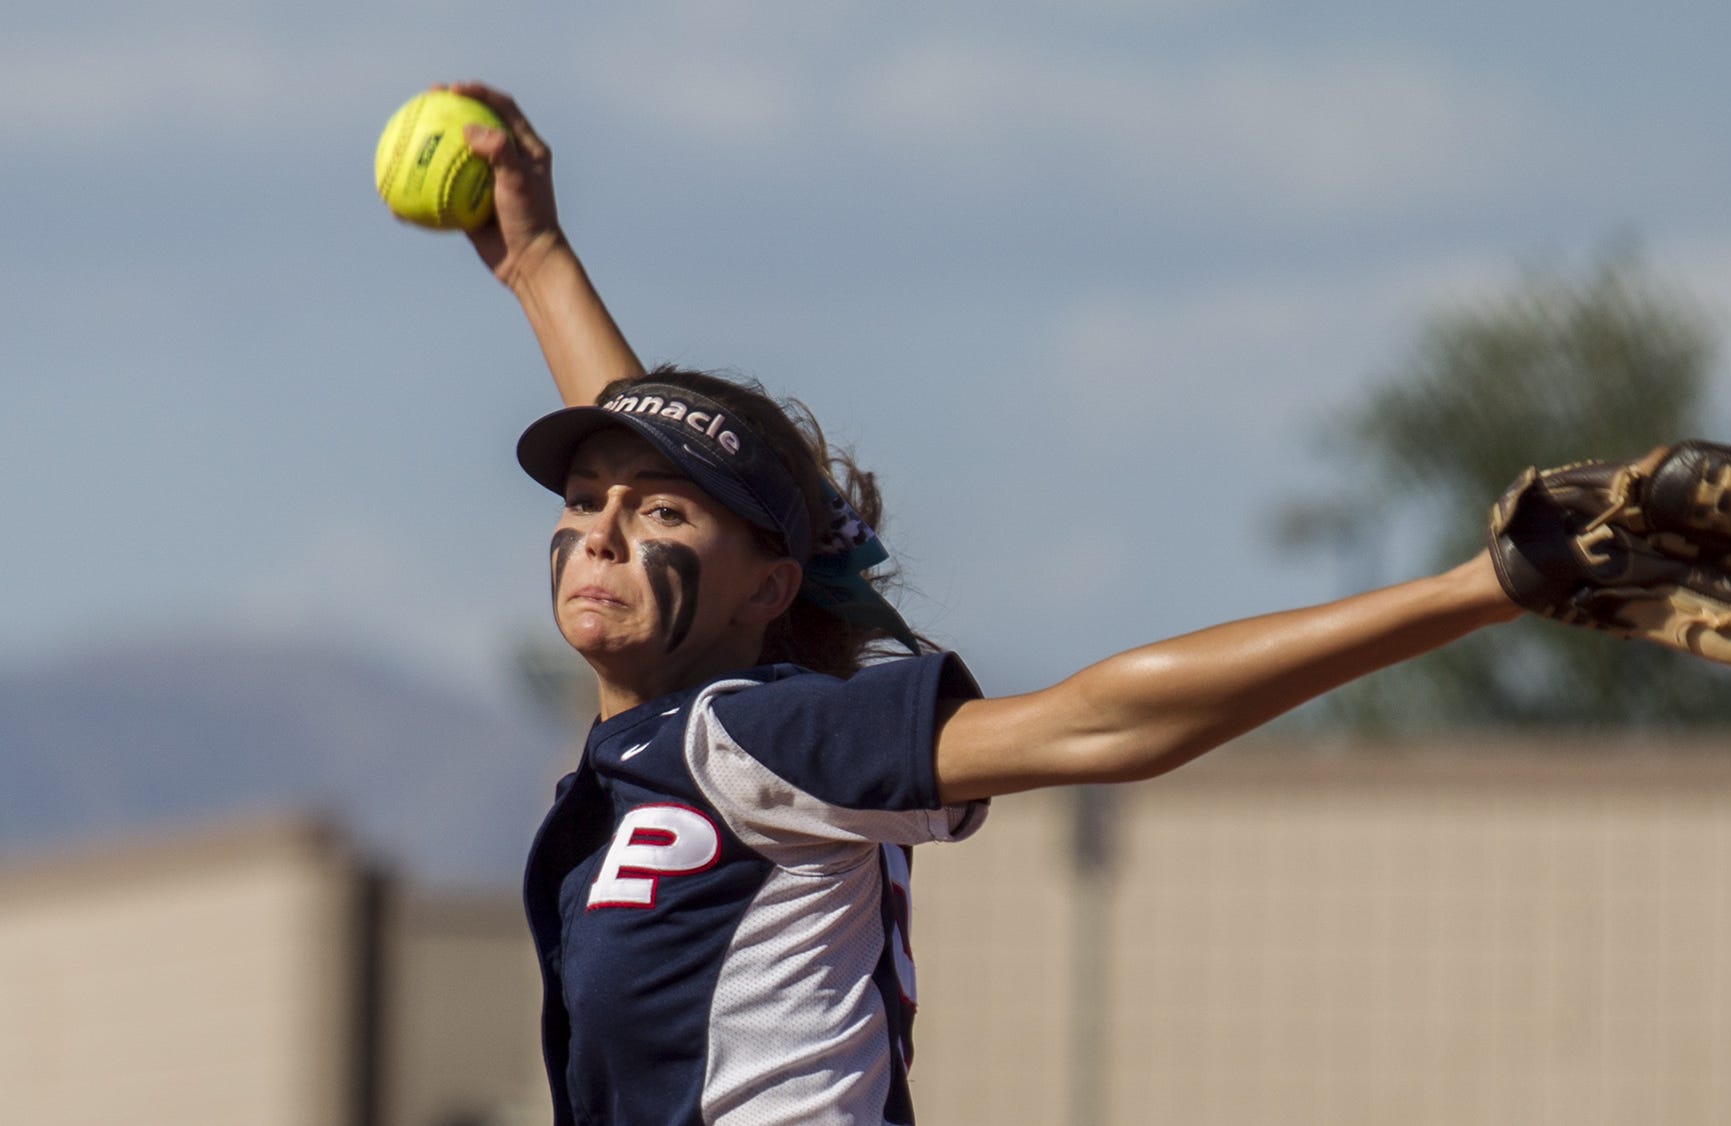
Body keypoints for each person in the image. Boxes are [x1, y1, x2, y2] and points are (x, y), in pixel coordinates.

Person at [446, 82, 1523, 1126]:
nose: (603, 528)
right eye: (586, 499)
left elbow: (1101, 720)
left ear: (769, 586)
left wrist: (1478, 588)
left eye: (661, 515)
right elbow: (672, 460)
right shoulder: (672, 750)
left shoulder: (755, 737)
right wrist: (538, 266)